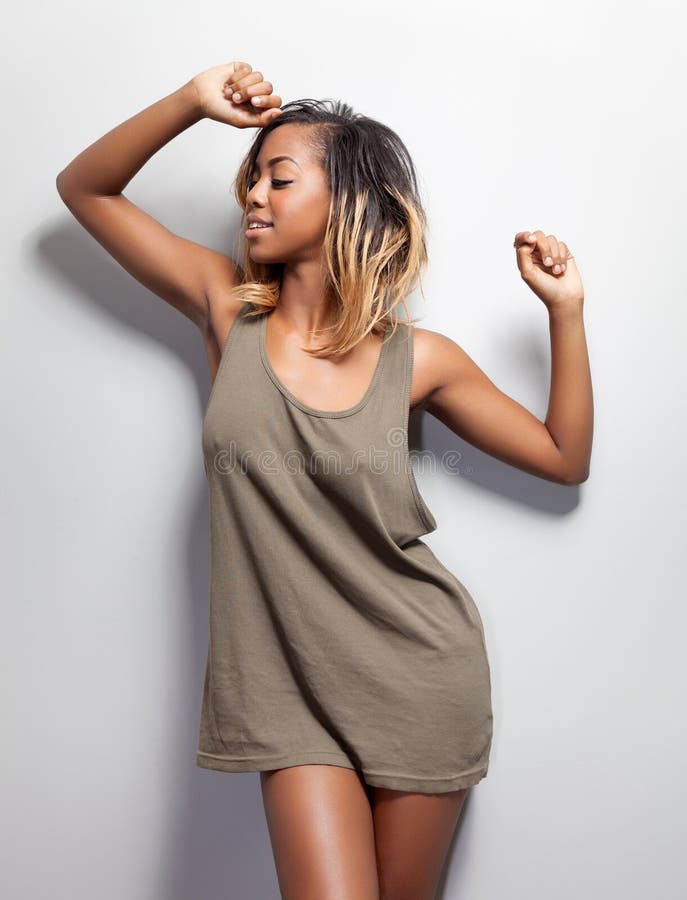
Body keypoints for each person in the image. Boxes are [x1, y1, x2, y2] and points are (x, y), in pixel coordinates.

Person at [56, 60, 593, 900]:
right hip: (282, 689)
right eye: (250, 181)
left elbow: (562, 458)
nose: (253, 197)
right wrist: (193, 103)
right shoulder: (226, 310)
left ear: (345, 201)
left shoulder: (421, 360)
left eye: (279, 178)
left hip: (418, 673)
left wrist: (565, 314)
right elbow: (85, 190)